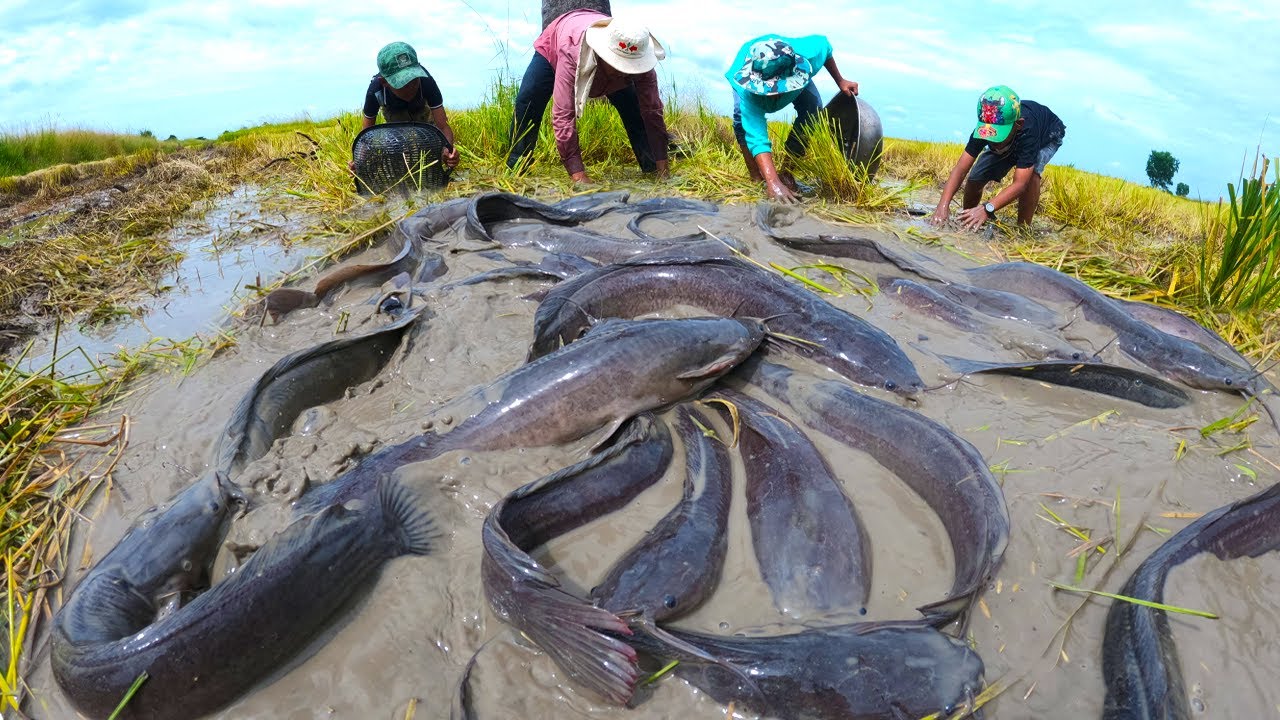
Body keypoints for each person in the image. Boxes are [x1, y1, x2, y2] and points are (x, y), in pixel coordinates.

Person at [507, 11, 670, 183]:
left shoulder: (640, 58)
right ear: (603, 53)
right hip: (559, 40)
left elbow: (652, 113)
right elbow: (563, 116)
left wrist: (663, 171)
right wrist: (578, 176)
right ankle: (517, 168)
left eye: (630, 67)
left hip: (594, 27)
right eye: (619, 65)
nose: (624, 71)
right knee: (528, 100)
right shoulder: (572, 51)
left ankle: (651, 168)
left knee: (634, 109)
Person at [727, 35, 859, 203]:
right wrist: (772, 183)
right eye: (768, 91)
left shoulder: (811, 54)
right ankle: (756, 178)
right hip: (751, 70)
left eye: (778, 90)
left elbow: (826, 47)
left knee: (813, 108)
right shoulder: (747, 90)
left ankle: (787, 172)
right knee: (741, 120)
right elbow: (756, 136)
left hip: (789, 65)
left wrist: (840, 80)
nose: (773, 97)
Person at [929, 85, 1066, 230]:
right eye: (989, 137)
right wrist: (942, 205)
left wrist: (987, 208)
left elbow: (1020, 184)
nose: (992, 142)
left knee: (1032, 174)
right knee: (976, 177)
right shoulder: (987, 123)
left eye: (997, 136)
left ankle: (1023, 229)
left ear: (1018, 124)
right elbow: (961, 169)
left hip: (1048, 134)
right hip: (1012, 138)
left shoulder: (1029, 132)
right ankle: (969, 219)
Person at [358, 41, 459, 169]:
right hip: (394, 111)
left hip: (421, 107)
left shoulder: (426, 81)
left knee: (431, 144)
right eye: (403, 83)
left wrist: (448, 150)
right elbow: (365, 136)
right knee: (398, 149)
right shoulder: (376, 90)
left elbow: (443, 126)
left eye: (414, 80)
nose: (411, 87)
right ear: (385, 82)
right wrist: (359, 161)